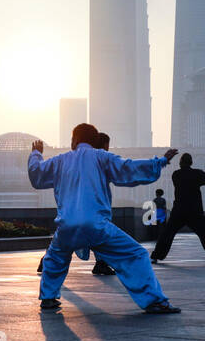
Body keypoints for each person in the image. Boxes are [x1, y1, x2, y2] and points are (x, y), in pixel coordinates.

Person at [29, 123, 181, 314]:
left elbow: (37, 175)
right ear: (95, 141)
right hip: (96, 225)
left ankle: (48, 298)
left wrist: (36, 154)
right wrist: (159, 162)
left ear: (74, 140)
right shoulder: (101, 157)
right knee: (135, 255)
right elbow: (128, 168)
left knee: (55, 258)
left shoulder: (60, 161)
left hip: (66, 226)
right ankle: (154, 301)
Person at [150, 153, 205, 265]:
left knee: (167, 234)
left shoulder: (176, 175)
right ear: (191, 162)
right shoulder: (197, 174)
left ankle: (155, 256)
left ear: (180, 163)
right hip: (194, 211)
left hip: (179, 211)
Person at [90, 132, 117, 276]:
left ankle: (46, 261)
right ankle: (101, 263)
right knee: (101, 234)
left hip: (88, 205)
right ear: (105, 144)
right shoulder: (102, 159)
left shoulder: (89, 159)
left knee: (67, 237)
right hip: (96, 206)